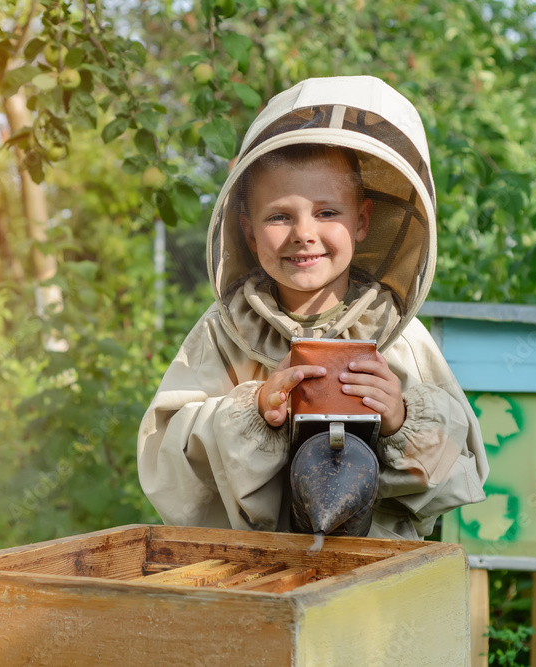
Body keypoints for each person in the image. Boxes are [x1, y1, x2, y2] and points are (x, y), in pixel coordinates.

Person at [137, 75, 489, 540]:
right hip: (254, 573)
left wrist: (399, 418)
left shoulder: (398, 335)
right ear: (247, 230)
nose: (304, 233)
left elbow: (458, 469)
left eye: (326, 213)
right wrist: (253, 411)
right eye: (280, 215)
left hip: (374, 582)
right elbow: (168, 457)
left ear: (361, 221)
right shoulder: (225, 334)